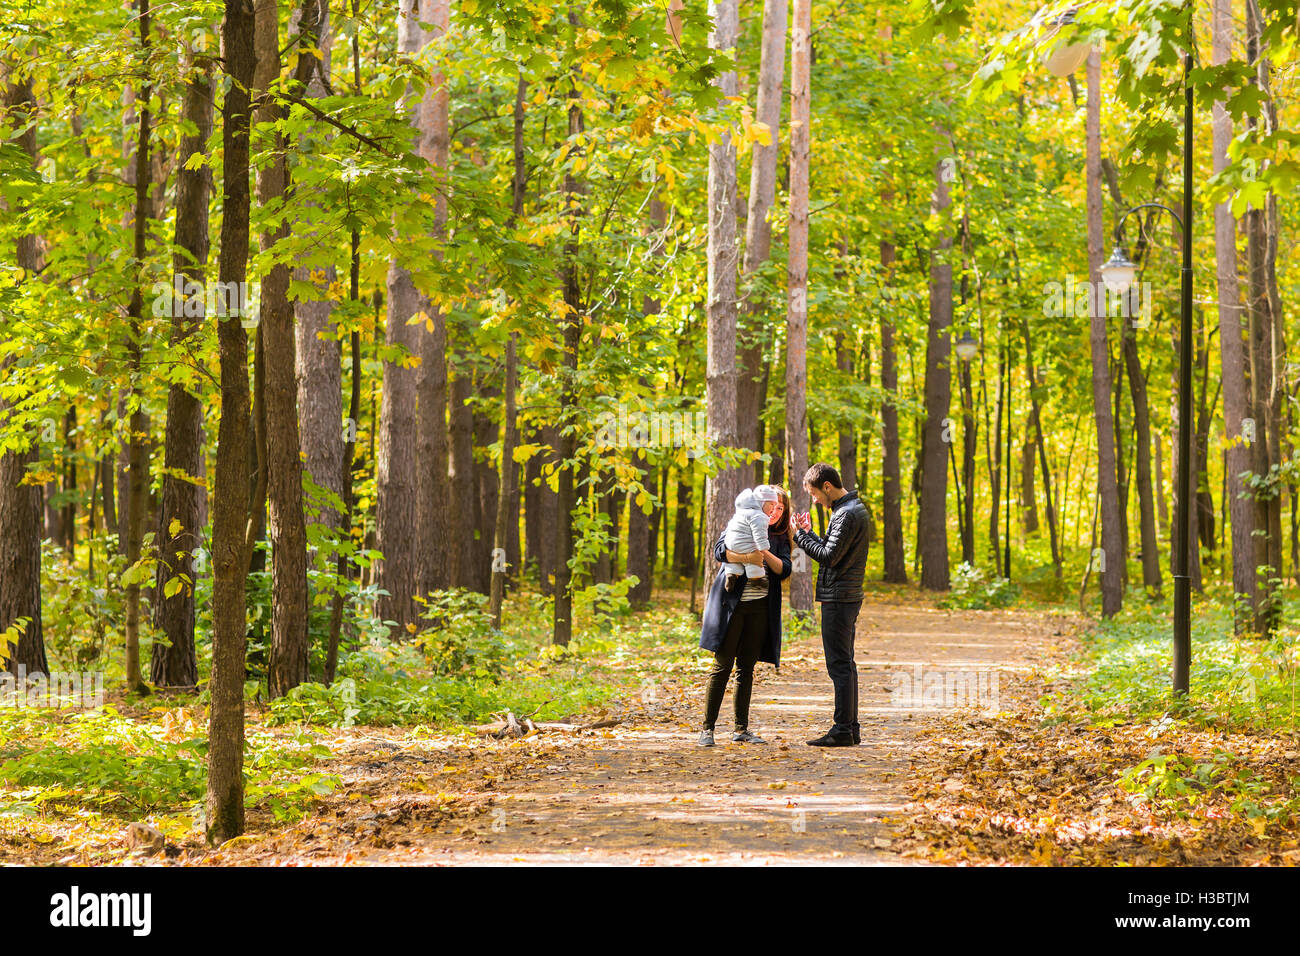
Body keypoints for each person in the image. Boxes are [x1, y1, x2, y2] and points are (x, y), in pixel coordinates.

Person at [696, 485, 794, 747]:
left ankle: (741, 729)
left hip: (760, 608)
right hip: (732, 606)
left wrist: (762, 553)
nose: (775, 510)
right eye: (773, 504)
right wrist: (746, 555)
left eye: (781, 507)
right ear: (762, 503)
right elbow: (719, 551)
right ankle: (707, 729)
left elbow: (784, 569)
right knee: (722, 666)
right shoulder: (741, 520)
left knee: (746, 669)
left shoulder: (781, 537)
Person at [792, 463, 870, 747]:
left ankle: (842, 730)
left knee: (839, 665)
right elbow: (833, 549)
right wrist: (810, 533)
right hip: (846, 595)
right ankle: (850, 728)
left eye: (814, 494)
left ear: (827, 486)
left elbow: (828, 556)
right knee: (846, 664)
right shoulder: (850, 510)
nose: (814, 500)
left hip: (839, 597)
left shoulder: (845, 514)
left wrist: (799, 536)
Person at [721, 485, 779, 592]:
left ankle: (731, 574)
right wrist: (764, 547)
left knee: (734, 563)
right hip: (744, 544)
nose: (773, 509)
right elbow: (760, 535)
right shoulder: (759, 516)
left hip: (730, 543)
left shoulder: (741, 512)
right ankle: (756, 580)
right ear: (762, 502)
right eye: (771, 504)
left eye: (777, 506)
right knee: (755, 559)